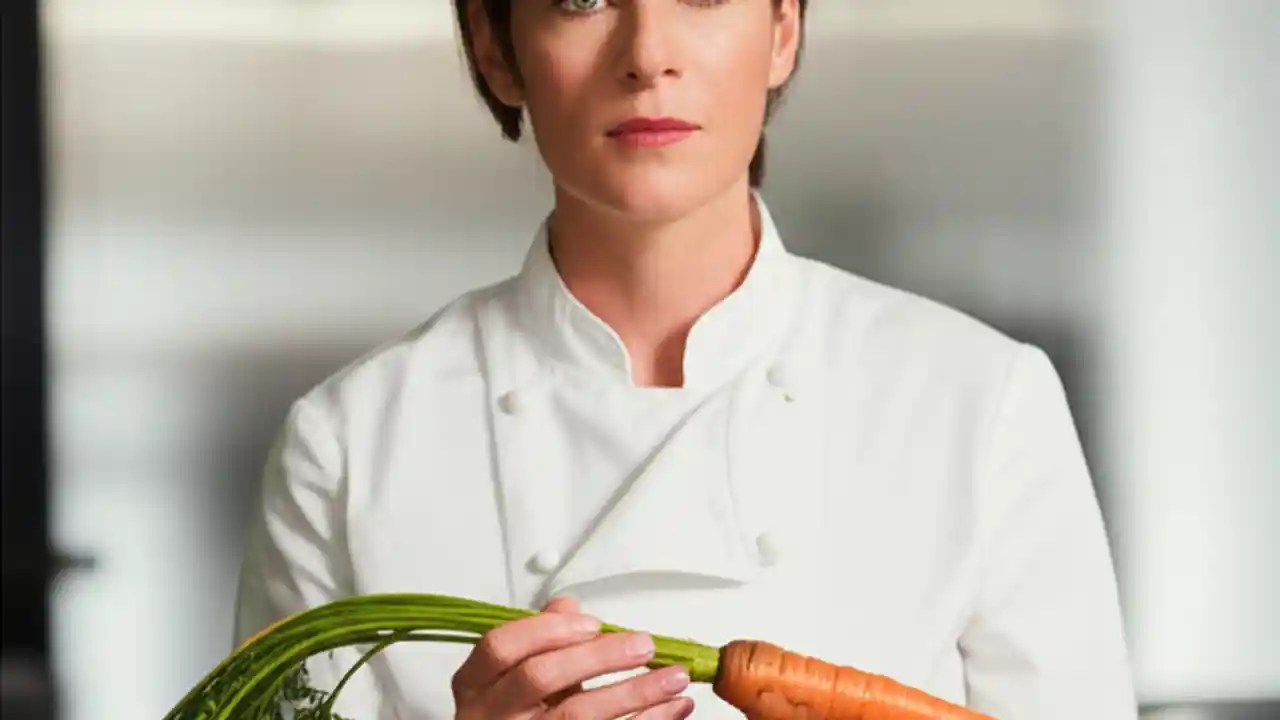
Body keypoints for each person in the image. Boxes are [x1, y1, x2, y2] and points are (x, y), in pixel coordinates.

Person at [233, 1, 1138, 718]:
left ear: (783, 29)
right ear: (494, 48)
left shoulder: (980, 402)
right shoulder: (349, 444)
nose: (648, 54)